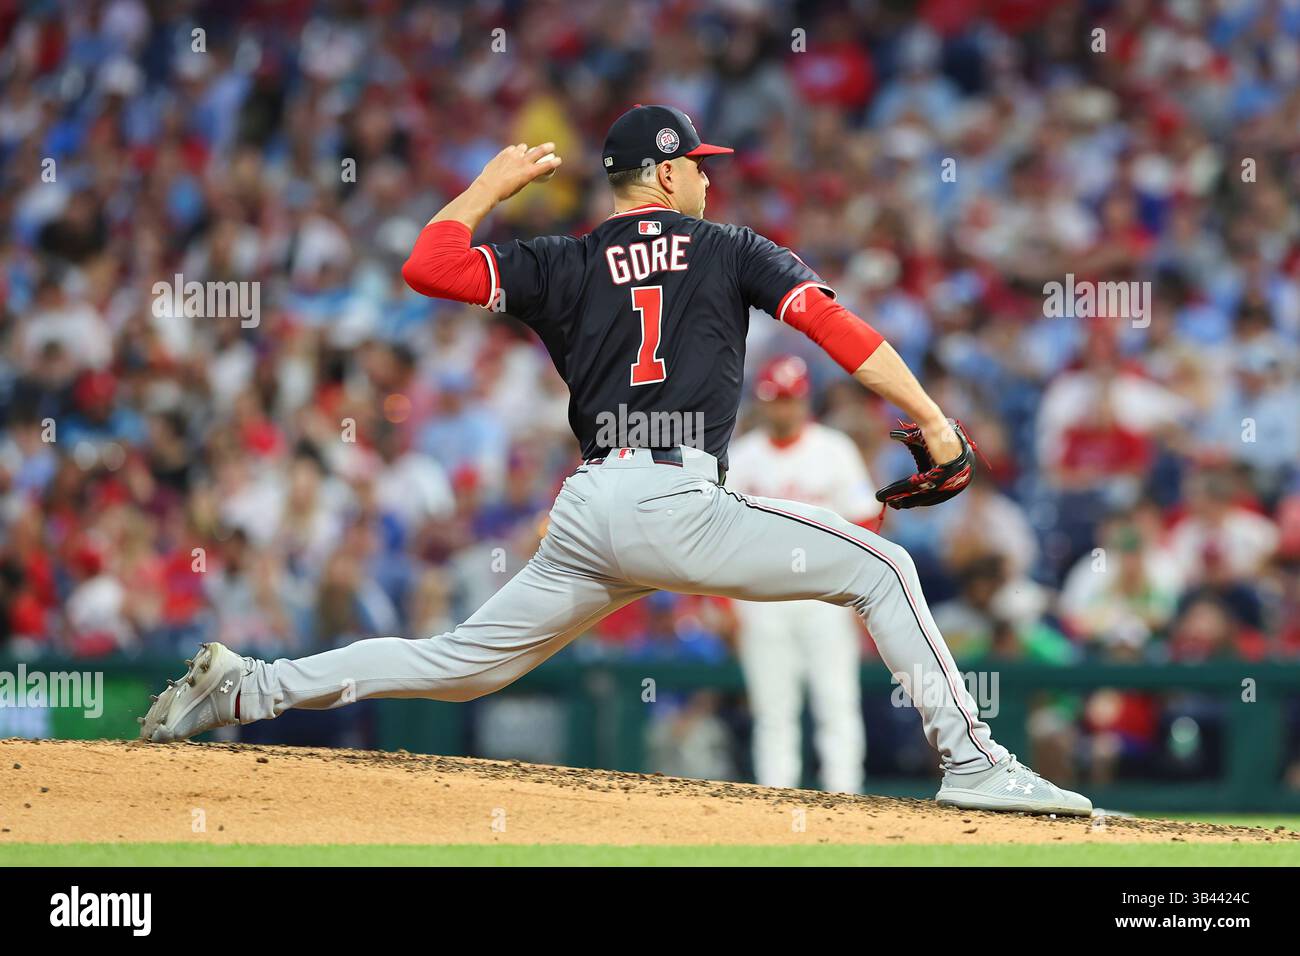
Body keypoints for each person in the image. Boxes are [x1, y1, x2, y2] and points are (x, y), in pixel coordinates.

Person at [140, 105, 1091, 815]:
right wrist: (930, 417)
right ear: (667, 175)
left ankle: (249, 687)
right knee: (883, 565)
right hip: (677, 496)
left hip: (591, 503)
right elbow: (835, 327)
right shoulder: (729, 249)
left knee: (462, 662)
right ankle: (975, 767)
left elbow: (427, 268)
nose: (711, 180)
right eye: (701, 167)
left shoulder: (564, 259)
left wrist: (486, 190)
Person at [728, 355, 876, 793]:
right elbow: (717, 535)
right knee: (774, 710)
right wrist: (721, 602)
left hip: (824, 595)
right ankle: (777, 802)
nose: (783, 409)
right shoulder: (741, 457)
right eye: (775, 400)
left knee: (837, 703)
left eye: (790, 400)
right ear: (762, 402)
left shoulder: (833, 450)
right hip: (761, 598)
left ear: (804, 400)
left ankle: (845, 800)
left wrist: (859, 597)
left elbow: (866, 523)